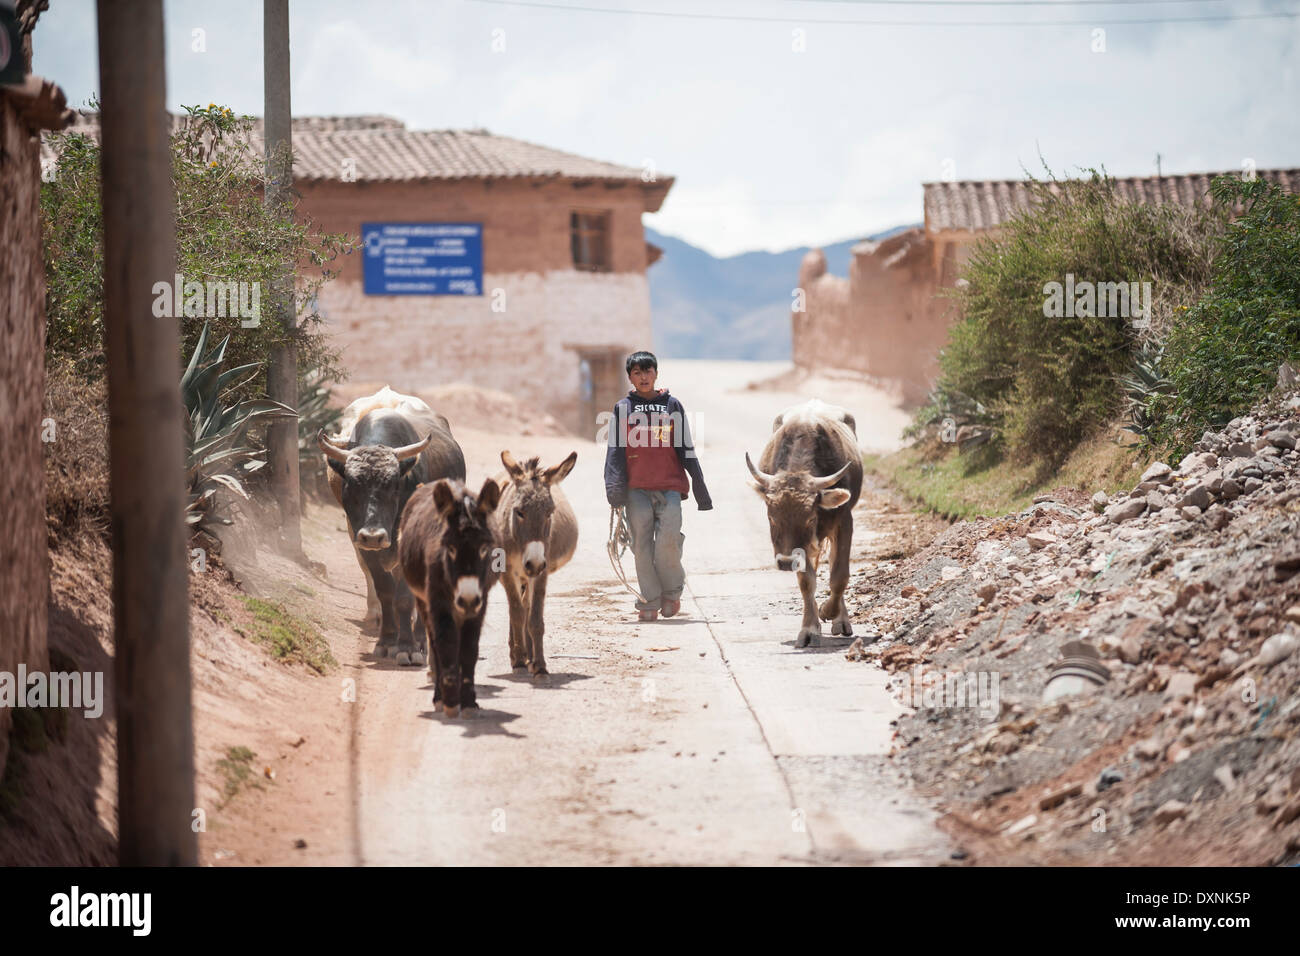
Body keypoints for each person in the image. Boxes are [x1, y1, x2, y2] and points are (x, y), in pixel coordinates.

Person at [604, 350, 712, 621]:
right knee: (641, 545)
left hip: (670, 487)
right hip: (636, 489)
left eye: (648, 371)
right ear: (630, 377)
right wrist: (614, 490)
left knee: (668, 542)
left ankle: (672, 593)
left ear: (656, 373)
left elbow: (686, 448)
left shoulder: (671, 405)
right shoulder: (622, 408)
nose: (643, 377)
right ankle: (649, 600)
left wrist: (700, 490)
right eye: (637, 373)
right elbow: (615, 452)